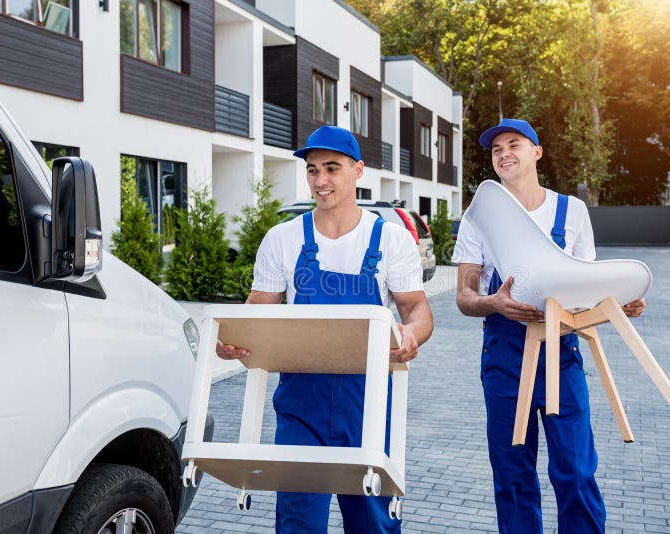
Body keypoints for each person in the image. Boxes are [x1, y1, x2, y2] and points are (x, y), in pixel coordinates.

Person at [217, 125, 434, 533]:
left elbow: (417, 309)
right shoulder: (282, 239)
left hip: (368, 404)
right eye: (313, 170)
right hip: (302, 404)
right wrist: (231, 339)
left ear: (358, 171)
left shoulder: (390, 239)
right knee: (298, 522)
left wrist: (411, 334)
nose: (320, 180)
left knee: (373, 523)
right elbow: (256, 312)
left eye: (332, 168)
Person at [452, 118, 646, 533]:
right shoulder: (477, 219)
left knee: (575, 471)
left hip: (562, 355)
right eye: (496, 149)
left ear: (537, 152)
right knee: (513, 476)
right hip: (504, 358)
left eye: (514, 144)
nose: (504, 153)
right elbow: (465, 297)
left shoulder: (570, 211)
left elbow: (590, 286)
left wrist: (619, 301)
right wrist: (493, 303)